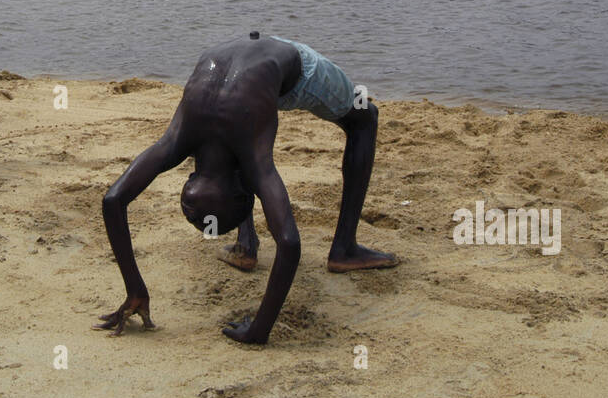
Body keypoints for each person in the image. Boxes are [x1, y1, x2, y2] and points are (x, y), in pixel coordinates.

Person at [95, 32, 396, 345]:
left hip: (291, 66)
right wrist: (134, 289)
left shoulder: (249, 160)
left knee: (365, 117)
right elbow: (113, 199)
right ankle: (257, 245)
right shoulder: (180, 140)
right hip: (234, 60)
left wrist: (260, 331)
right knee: (230, 149)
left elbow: (291, 243)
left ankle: (339, 248)